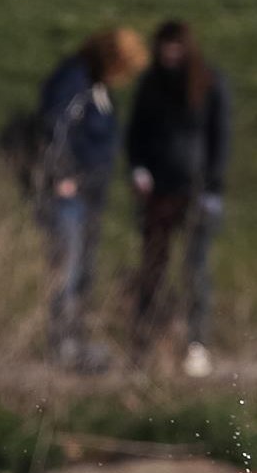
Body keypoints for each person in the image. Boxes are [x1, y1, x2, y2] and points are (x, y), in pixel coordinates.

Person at [35, 27, 148, 372]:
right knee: (66, 272)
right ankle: (63, 343)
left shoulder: (97, 87)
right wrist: (61, 175)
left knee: (84, 270)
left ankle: (77, 338)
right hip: (69, 195)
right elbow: (55, 127)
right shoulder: (74, 81)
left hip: (90, 195)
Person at [125, 20, 232, 377]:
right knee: (153, 267)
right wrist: (138, 168)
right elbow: (136, 133)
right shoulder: (150, 85)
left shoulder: (209, 83)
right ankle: (146, 341)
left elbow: (220, 137)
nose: (169, 54)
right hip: (158, 191)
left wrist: (214, 187)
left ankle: (196, 342)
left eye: (175, 47)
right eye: (163, 47)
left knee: (195, 269)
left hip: (197, 190)